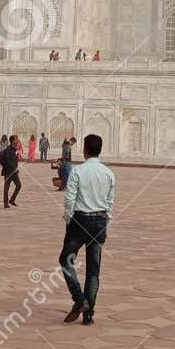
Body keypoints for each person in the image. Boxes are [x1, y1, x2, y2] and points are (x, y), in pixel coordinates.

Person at [59, 134, 115, 325]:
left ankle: (80, 299)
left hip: (80, 220)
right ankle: (88, 314)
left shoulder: (78, 171)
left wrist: (68, 218)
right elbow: (109, 202)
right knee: (93, 268)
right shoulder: (108, 173)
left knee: (66, 259)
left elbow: (70, 198)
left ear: (84, 150)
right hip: (99, 220)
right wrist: (105, 220)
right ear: (100, 150)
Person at [0, 133, 22, 208]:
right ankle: (6, 203)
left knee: (18, 185)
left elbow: (12, 159)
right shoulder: (8, 149)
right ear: (13, 141)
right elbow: (8, 160)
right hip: (8, 172)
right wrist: (14, 168)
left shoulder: (14, 149)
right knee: (6, 188)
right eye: (16, 139)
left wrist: (17, 156)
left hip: (14, 172)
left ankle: (12, 200)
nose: (18, 140)